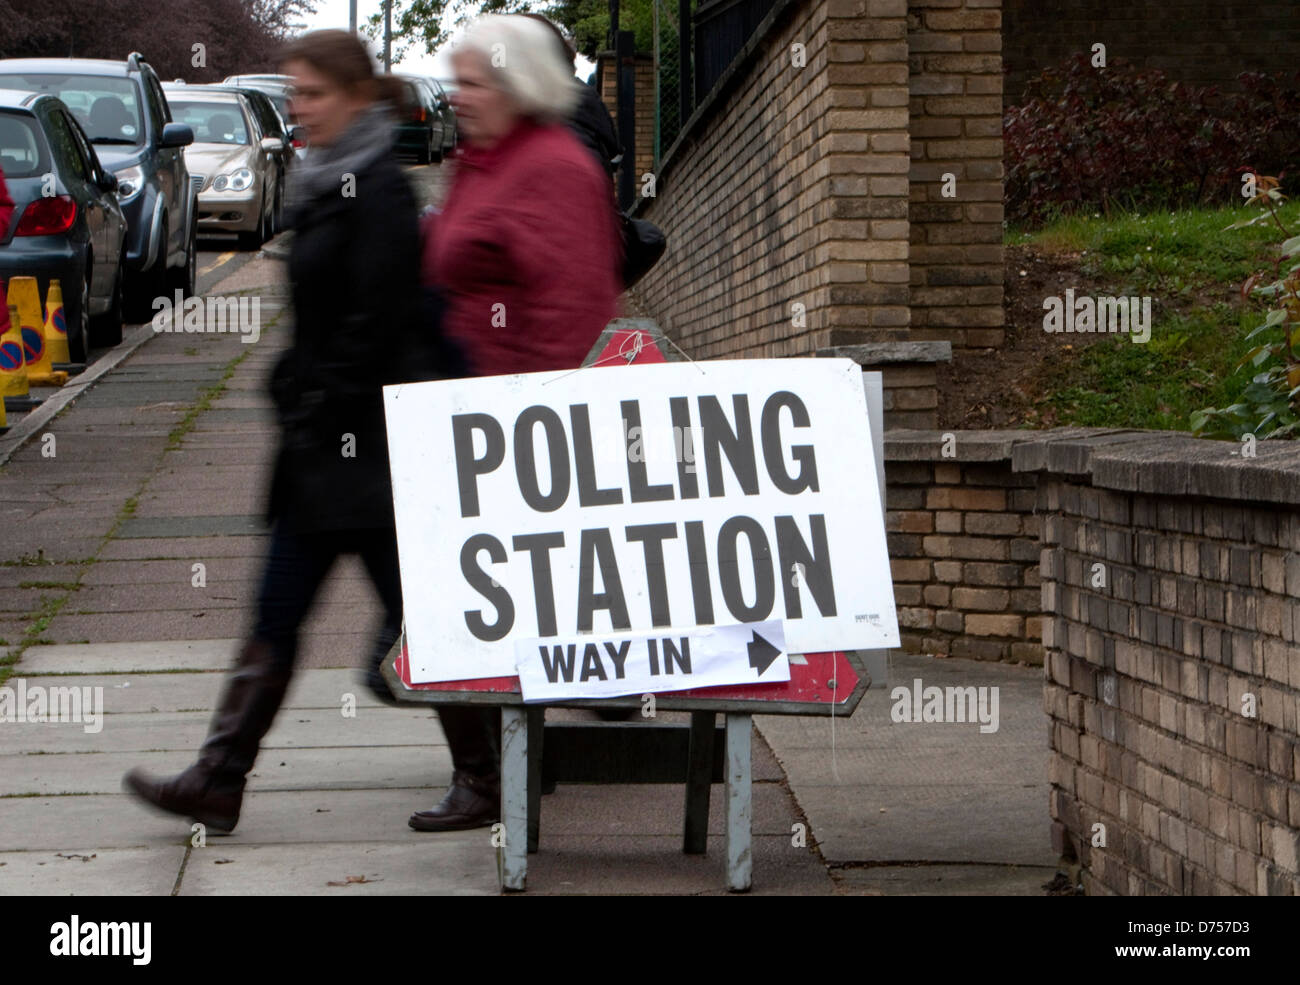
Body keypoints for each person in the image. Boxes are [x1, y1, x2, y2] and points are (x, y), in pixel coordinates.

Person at [123, 30, 425, 833]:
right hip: (326, 452)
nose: (300, 108)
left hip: (363, 452)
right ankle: (219, 778)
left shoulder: (381, 189)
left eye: (313, 93)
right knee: (282, 612)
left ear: (358, 97)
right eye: (294, 93)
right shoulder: (331, 178)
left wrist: (315, 392)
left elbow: (381, 318)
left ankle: (491, 770)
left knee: (415, 615)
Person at [409, 13, 622, 832]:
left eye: (473, 81)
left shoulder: (554, 170)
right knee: (447, 603)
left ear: (518, 83)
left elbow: (575, 316)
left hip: (509, 438)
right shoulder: (482, 161)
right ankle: (500, 767)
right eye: (456, 80)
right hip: (459, 422)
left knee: (453, 604)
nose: (456, 97)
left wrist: (536, 441)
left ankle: (499, 773)